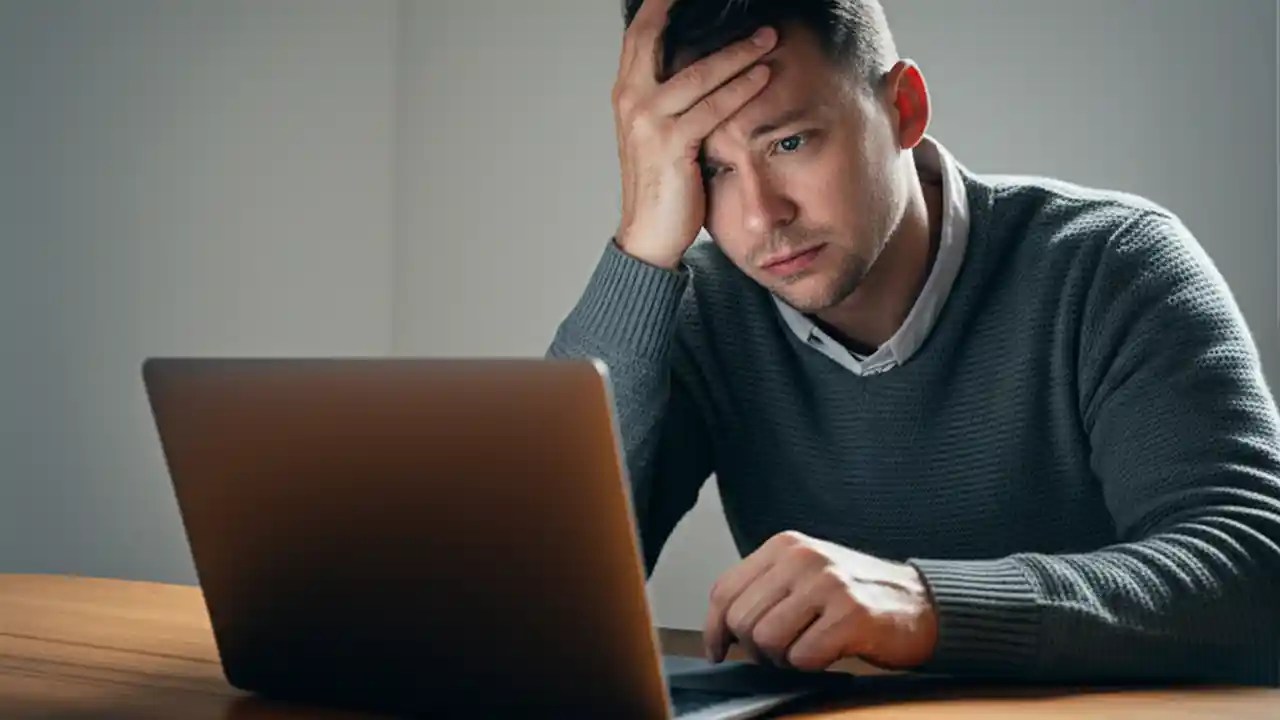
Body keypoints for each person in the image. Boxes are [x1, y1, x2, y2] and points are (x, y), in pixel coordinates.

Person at [547, 0, 1280, 684]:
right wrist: (643, 248)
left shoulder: (1112, 263)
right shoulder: (700, 311)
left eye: (790, 142)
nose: (760, 216)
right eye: (711, 169)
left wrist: (927, 604)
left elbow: (1256, 572)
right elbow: (534, 597)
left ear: (904, 108)